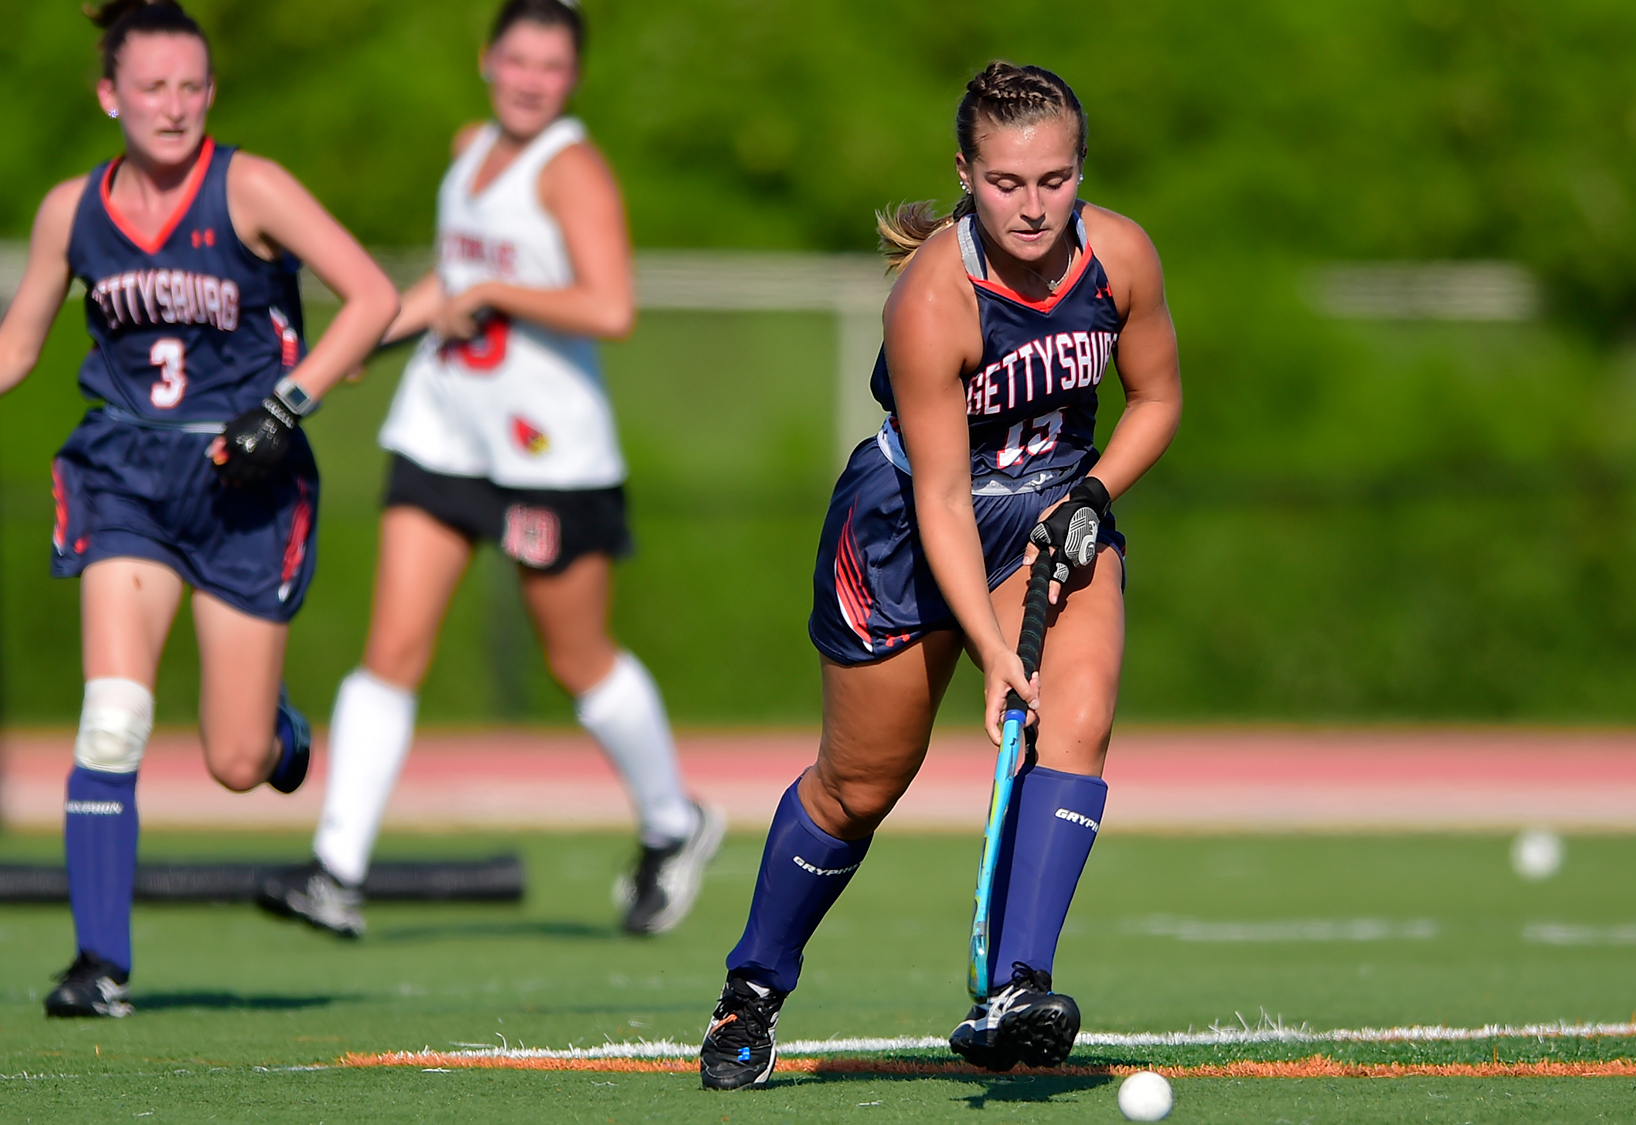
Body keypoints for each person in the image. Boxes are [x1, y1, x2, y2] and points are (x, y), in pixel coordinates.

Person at [695, 62, 1182, 1090]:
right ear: (965, 173)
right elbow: (944, 504)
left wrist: (1093, 491)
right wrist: (995, 649)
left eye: (1054, 179)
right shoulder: (934, 298)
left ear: (1079, 171)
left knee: (1077, 718)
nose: (1033, 206)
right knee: (860, 782)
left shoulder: (1119, 256)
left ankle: (1016, 990)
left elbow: (1155, 400)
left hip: (1050, 510)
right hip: (908, 528)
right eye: (1006, 183)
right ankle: (752, 987)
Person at [254, 0, 722, 942]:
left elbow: (611, 304)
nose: (530, 79)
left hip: (549, 455)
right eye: (517, 59)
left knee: (576, 659)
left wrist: (499, 290)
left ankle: (674, 825)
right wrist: (354, 348)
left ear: (573, 78)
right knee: (393, 649)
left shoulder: (574, 170)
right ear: (487, 59)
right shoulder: (472, 147)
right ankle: (334, 870)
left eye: (551, 65)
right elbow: (446, 281)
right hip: (441, 432)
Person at [0, 0, 399, 1017]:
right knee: (114, 715)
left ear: (208, 93)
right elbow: (17, 345)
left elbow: (371, 297)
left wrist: (286, 404)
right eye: (150, 89)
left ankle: (279, 737)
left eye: (189, 88)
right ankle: (99, 964)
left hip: (243, 480)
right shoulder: (70, 211)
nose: (171, 108)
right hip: (123, 472)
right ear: (110, 96)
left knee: (233, 760)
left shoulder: (249, 187)